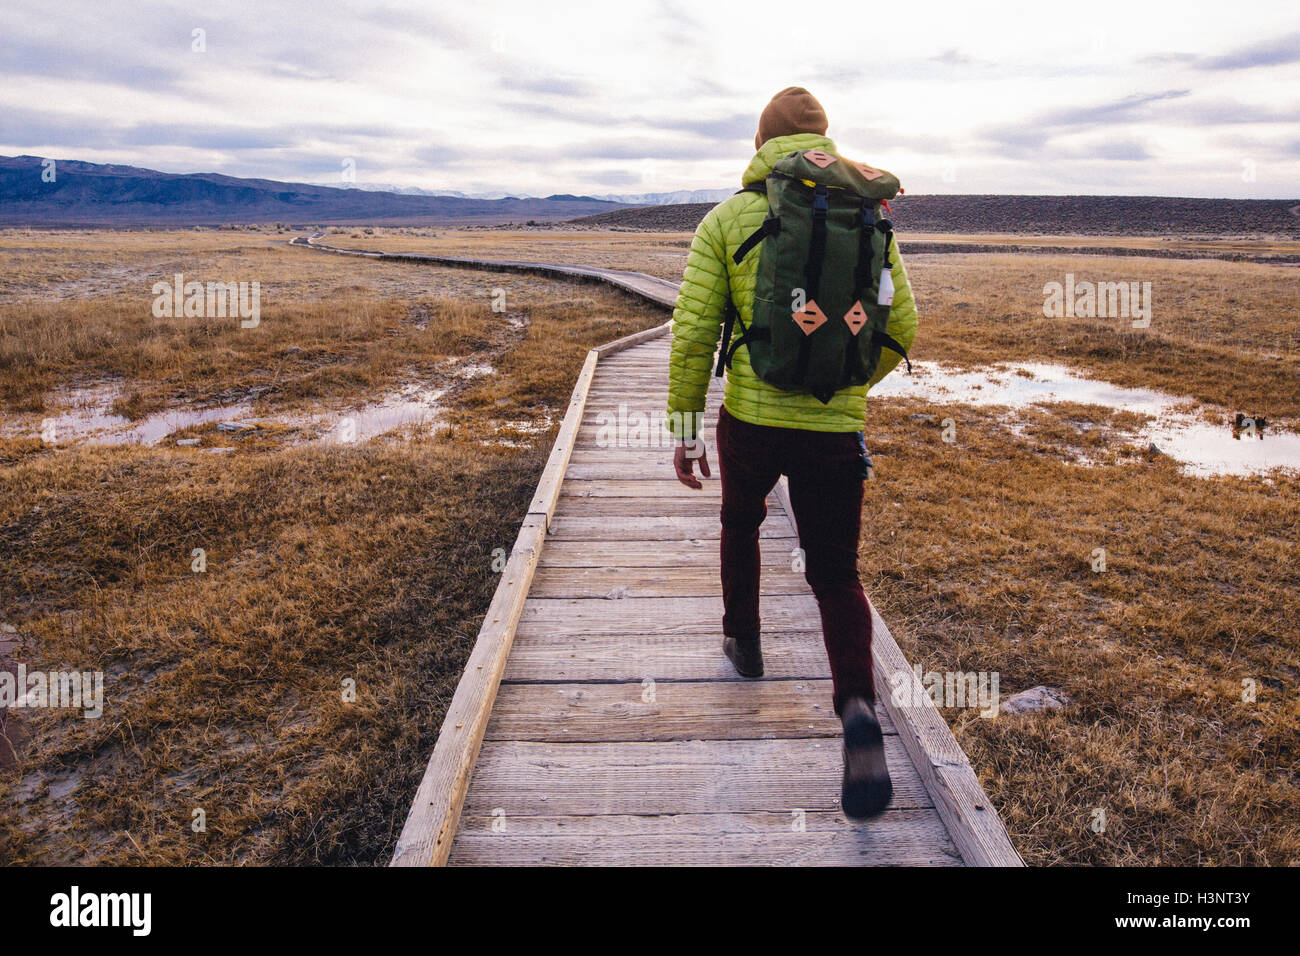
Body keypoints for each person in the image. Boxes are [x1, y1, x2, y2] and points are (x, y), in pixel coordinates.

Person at [666, 87, 918, 819]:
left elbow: (690, 334)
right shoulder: (866, 215)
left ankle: (744, 643)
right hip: (834, 432)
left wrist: (685, 429)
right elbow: (904, 319)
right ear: (823, 142)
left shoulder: (729, 217)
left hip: (750, 420)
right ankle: (858, 709)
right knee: (838, 574)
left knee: (740, 523)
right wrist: (847, 384)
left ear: (760, 142)